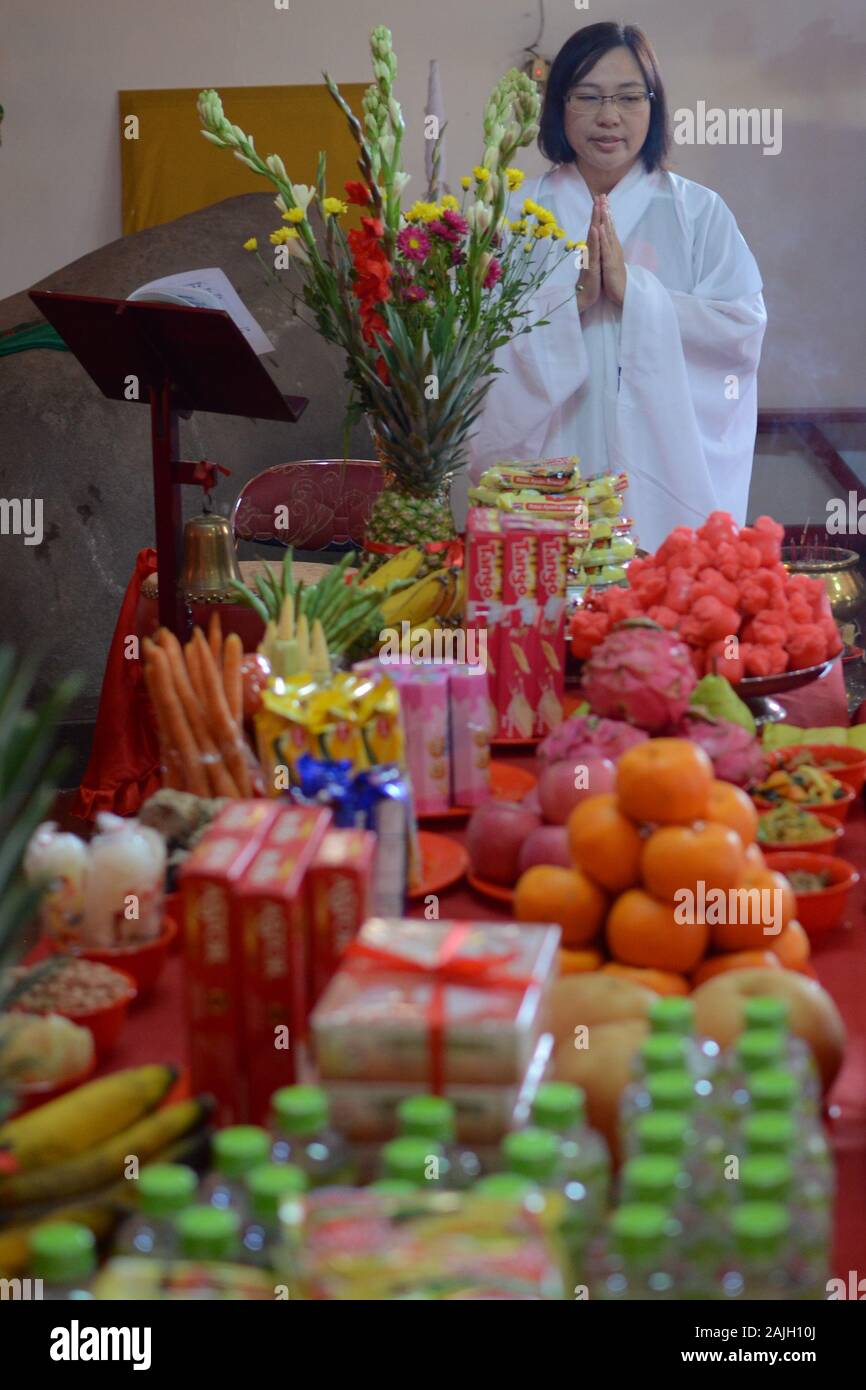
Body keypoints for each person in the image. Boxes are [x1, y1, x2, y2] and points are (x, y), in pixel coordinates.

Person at [469, 22, 767, 552]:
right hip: (550, 462)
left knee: (658, 614)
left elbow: (741, 331)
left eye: (630, 97)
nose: (609, 116)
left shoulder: (697, 213)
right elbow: (471, 342)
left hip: (662, 467)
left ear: (653, 107)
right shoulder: (512, 212)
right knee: (547, 610)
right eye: (587, 97)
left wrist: (638, 296)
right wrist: (570, 303)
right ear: (559, 106)